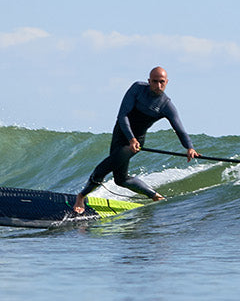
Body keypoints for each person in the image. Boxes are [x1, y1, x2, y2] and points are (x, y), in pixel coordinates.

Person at [73, 66, 199, 214]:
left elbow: (179, 129)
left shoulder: (166, 105)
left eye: (162, 82)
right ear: (149, 81)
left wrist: (189, 147)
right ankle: (155, 196)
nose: (158, 85)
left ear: (167, 82)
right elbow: (122, 115)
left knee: (101, 170)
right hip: (121, 134)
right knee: (121, 179)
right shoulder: (137, 89)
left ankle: (81, 196)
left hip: (135, 143)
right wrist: (130, 138)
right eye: (155, 81)